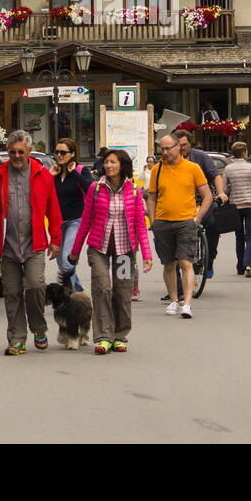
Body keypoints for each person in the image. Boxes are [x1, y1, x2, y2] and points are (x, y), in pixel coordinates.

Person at [0, 130, 62, 355]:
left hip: (35, 245)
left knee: (35, 286)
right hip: (8, 246)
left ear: (29, 151)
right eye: (12, 152)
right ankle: (17, 338)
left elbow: (53, 209)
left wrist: (55, 238)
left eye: (21, 152)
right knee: (12, 293)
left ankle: (38, 328)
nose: (16, 156)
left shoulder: (43, 175)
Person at [70, 149, 153, 353]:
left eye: (113, 162)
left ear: (122, 165)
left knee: (123, 291)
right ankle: (103, 337)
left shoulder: (134, 191)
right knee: (102, 288)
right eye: (106, 162)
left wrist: (147, 255)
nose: (108, 165)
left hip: (125, 250)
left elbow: (140, 226)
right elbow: (85, 222)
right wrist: (75, 250)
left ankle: (120, 335)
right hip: (99, 248)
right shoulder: (95, 189)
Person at [146, 133, 212, 319]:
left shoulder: (193, 168)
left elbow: (207, 195)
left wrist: (197, 218)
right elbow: (151, 197)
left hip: (185, 222)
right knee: (168, 264)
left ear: (178, 148)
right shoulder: (157, 169)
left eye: (168, 148)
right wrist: (153, 222)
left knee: (185, 262)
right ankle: (174, 300)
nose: (164, 152)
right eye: (162, 149)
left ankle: (187, 303)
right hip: (162, 222)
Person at [175, 130, 226, 278]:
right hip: (182, 201)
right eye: (179, 145)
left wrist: (221, 192)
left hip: (203, 198)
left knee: (213, 223)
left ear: (190, 144)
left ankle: (210, 258)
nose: (182, 148)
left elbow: (215, 175)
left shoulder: (201, 157)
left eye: (185, 144)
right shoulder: (172, 159)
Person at [49, 138, 93, 293]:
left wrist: (73, 172)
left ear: (72, 154)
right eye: (57, 152)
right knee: (61, 262)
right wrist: (49, 175)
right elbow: (42, 193)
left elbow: (90, 189)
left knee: (67, 259)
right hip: (57, 222)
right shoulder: (54, 172)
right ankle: (78, 290)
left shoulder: (81, 170)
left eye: (63, 152)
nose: (59, 155)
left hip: (76, 221)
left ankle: (74, 293)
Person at [222, 141, 251, 277]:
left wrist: (230, 187)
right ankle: (249, 264)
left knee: (239, 237)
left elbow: (224, 190)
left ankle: (240, 266)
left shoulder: (228, 169)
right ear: (244, 153)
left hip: (235, 206)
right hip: (250, 206)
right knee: (249, 237)